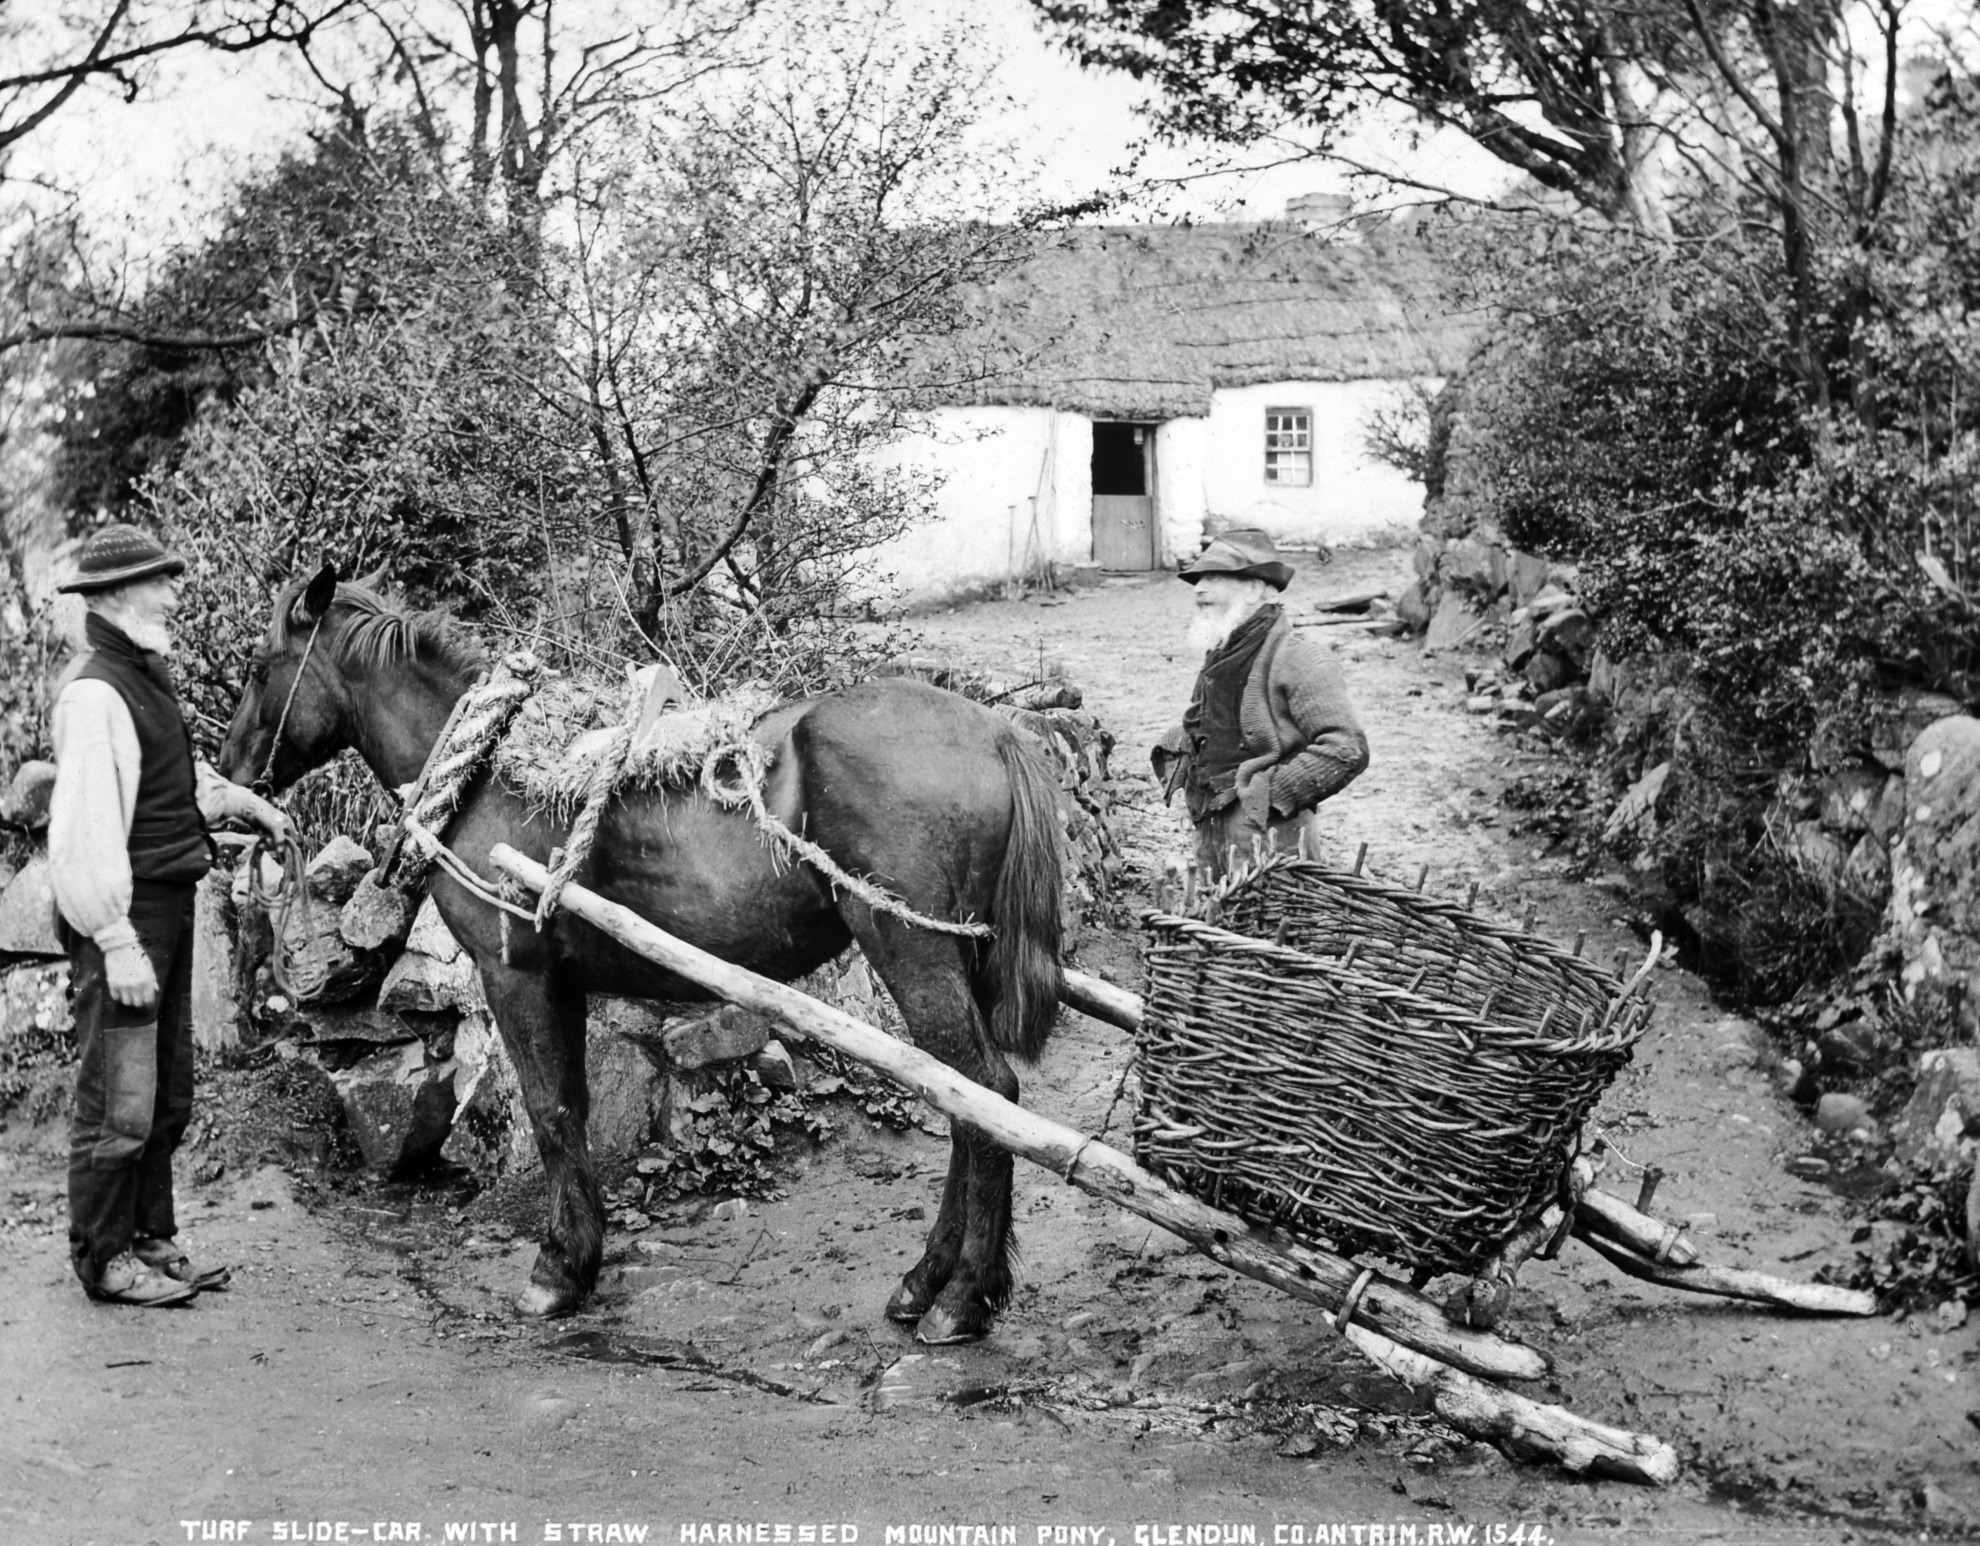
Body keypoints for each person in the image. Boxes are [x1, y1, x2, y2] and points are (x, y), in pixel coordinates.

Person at [48, 524, 293, 1307]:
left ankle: (153, 1240)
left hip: (169, 905)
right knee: (118, 1097)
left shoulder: (143, 673)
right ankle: (104, 1259)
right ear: (119, 596)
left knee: (166, 1094)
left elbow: (174, 786)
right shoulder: (93, 692)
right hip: (126, 920)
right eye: (162, 581)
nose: (176, 593)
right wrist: (115, 940)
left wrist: (249, 803)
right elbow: (83, 835)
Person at [1152, 529, 1370, 879]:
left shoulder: (1300, 657)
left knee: (1271, 932)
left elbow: (1347, 749)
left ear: (1254, 588)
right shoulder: (1222, 650)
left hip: (1270, 836)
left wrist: (1269, 795)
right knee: (1217, 926)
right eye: (1198, 579)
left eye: (1214, 577)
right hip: (1212, 824)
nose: (1198, 589)